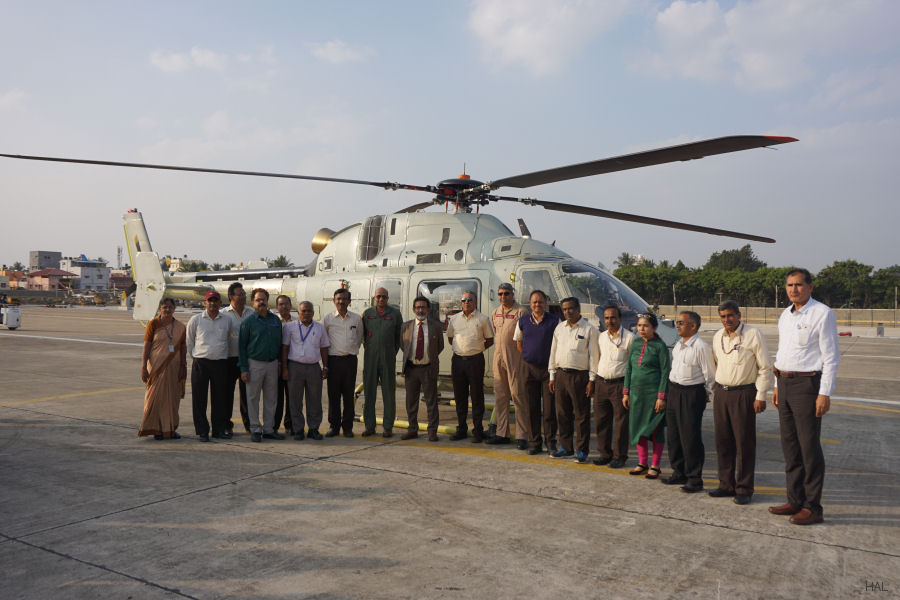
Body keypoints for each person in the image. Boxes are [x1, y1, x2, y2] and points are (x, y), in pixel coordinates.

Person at [769, 268, 839, 526]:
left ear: (810, 287)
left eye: (798, 285)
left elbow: (831, 357)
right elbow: (782, 352)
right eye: (789, 285)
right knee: (790, 447)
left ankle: (813, 507)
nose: (793, 289)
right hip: (785, 383)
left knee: (809, 448)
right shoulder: (785, 315)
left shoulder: (822, 313)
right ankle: (795, 500)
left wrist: (824, 393)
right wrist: (777, 385)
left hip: (807, 385)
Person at [710, 300, 772, 505]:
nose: (727, 320)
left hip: (744, 393)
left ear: (739, 315)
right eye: (723, 316)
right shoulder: (718, 336)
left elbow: (764, 367)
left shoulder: (753, 334)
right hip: (722, 392)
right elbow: (716, 363)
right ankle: (726, 485)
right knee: (722, 441)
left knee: (744, 443)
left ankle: (744, 488)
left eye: (730, 315)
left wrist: (761, 395)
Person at [663, 311, 715, 493]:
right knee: (674, 436)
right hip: (674, 390)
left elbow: (710, 375)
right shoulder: (679, 345)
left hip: (691, 393)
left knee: (690, 438)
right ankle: (679, 472)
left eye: (681, 323)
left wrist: (705, 393)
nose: (677, 326)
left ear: (693, 326)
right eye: (677, 322)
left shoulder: (701, 347)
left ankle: (694, 478)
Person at [548, 296, 599, 463]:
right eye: (564, 309)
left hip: (580, 377)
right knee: (562, 414)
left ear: (578, 309)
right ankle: (566, 448)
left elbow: (594, 357)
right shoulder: (559, 328)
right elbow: (553, 352)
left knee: (581, 415)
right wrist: (552, 376)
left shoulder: (589, 329)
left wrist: (592, 380)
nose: (567, 312)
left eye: (570, 308)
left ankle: (582, 450)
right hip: (561, 375)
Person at [623, 313, 670, 479]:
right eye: (639, 325)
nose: (641, 329)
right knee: (638, 429)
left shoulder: (660, 346)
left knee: (655, 430)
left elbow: (665, 372)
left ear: (654, 328)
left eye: (646, 326)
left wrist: (661, 397)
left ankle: (655, 466)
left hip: (653, 395)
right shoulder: (635, 344)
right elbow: (629, 369)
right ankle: (642, 463)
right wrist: (626, 392)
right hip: (636, 395)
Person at [514, 290, 560, 455]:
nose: (537, 305)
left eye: (540, 302)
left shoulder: (555, 321)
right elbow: (519, 343)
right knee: (531, 408)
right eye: (534, 302)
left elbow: (559, 343)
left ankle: (551, 443)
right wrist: (529, 356)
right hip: (529, 369)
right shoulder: (523, 321)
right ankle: (534, 443)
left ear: (545, 303)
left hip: (549, 370)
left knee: (549, 410)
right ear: (530, 304)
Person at [447, 290, 494, 442]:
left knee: (477, 396)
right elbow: (450, 338)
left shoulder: (483, 319)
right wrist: (462, 350)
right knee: (460, 396)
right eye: (464, 300)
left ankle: (478, 431)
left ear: (475, 302)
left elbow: (490, 340)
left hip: (476, 361)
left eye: (470, 299)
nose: (466, 302)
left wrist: (475, 349)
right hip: (458, 361)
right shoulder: (454, 319)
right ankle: (461, 429)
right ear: (460, 303)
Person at [186, 291, 232, 442]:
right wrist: (196, 356)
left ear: (220, 303)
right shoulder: (196, 319)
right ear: (204, 303)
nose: (212, 303)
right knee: (199, 399)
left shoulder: (226, 320)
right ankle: (202, 431)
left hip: (220, 363)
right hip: (201, 363)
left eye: (215, 300)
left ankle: (218, 430)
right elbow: (190, 341)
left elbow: (229, 340)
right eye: (209, 300)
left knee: (220, 398)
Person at [239, 288, 284, 442]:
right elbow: (241, 347)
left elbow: (279, 343)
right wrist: (244, 368)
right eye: (258, 300)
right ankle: (255, 429)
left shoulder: (275, 320)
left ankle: (269, 429)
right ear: (253, 302)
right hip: (254, 364)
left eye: (263, 299)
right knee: (253, 398)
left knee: (271, 398)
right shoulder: (248, 322)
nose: (261, 302)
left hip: (272, 364)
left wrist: (279, 362)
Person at [593, 305, 635, 468]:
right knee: (601, 421)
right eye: (606, 318)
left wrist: (627, 390)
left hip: (619, 385)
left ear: (620, 319)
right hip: (601, 384)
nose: (609, 321)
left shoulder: (630, 338)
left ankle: (619, 456)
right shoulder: (601, 337)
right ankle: (604, 454)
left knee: (621, 423)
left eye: (613, 318)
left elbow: (632, 366)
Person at [486, 283, 528, 447]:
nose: (503, 297)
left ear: (512, 294)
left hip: (515, 358)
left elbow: (525, 337)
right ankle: (502, 433)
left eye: (506, 293)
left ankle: (522, 435)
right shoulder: (495, 312)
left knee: (518, 395)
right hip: (498, 358)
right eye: (500, 294)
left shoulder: (521, 312)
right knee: (500, 396)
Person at [282, 300, 330, 440]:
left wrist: (325, 366)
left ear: (313, 313)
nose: (307, 313)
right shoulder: (289, 327)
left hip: (314, 367)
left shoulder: (319, 328)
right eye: (304, 311)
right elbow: (285, 348)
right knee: (295, 400)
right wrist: (285, 368)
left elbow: (324, 348)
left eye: (309, 311)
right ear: (298, 313)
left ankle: (313, 429)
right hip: (294, 367)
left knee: (315, 400)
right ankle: (298, 429)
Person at [139, 297, 187, 440]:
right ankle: (156, 429)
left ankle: (170, 429)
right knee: (155, 398)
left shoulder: (180, 327)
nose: (167, 309)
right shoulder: (153, 324)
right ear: (160, 309)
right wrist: (143, 366)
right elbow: (147, 346)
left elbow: (183, 348)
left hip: (174, 368)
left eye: (170, 307)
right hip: (156, 367)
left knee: (172, 399)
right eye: (164, 307)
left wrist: (183, 366)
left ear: (174, 309)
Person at [400, 296, 445, 441]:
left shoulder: (436, 327)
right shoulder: (406, 326)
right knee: (411, 401)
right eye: (418, 307)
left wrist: (428, 357)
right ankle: (412, 429)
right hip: (411, 369)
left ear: (428, 309)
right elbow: (403, 345)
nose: (420, 310)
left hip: (428, 369)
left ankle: (432, 431)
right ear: (414, 309)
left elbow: (440, 346)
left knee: (431, 401)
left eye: (423, 307)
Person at [361, 287, 403, 438]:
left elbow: (399, 337)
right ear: (374, 298)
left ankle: (388, 427)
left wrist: (390, 351)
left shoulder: (395, 314)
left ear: (387, 298)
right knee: (369, 393)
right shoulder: (367, 314)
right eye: (378, 296)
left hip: (388, 359)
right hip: (370, 359)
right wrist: (371, 350)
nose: (381, 299)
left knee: (389, 393)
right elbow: (363, 336)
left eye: (384, 297)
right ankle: (370, 426)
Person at [323, 288, 363, 437]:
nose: (341, 301)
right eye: (338, 299)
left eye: (344, 299)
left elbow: (359, 338)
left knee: (348, 395)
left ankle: (347, 427)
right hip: (333, 361)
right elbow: (324, 341)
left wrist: (350, 350)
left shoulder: (356, 319)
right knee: (333, 396)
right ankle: (334, 426)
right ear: (334, 301)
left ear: (349, 301)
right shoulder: (327, 319)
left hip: (350, 361)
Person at [222, 282, 254, 433]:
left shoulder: (252, 313)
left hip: (247, 360)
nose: (242, 297)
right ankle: (226, 425)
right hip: (229, 359)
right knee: (227, 394)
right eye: (239, 294)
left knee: (247, 394)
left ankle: (249, 424)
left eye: (244, 294)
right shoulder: (223, 314)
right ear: (231, 297)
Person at [274, 295, 294, 436]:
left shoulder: (297, 321)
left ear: (291, 306)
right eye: (281, 304)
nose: (284, 306)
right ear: (276, 307)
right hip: (276, 362)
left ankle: (290, 424)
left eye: (286, 304)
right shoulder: (273, 321)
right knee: (276, 396)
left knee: (292, 396)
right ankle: (274, 425)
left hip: (292, 362)